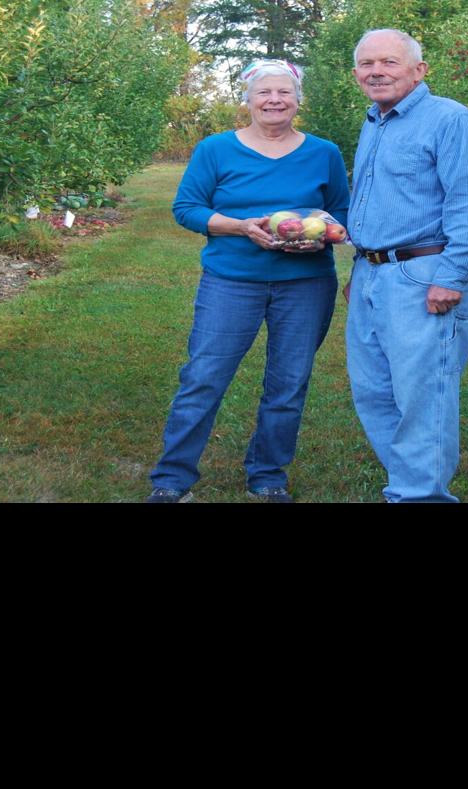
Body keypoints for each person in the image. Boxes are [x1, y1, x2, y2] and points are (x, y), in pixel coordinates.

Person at [148, 59, 350, 503]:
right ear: (248, 99)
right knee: (204, 375)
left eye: (284, 93)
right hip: (232, 279)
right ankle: (172, 479)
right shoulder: (216, 149)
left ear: (298, 100)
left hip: (306, 283)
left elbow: (343, 213)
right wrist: (241, 227)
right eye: (264, 93)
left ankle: (267, 474)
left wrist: (322, 234)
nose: (274, 100)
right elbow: (187, 208)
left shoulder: (324, 153)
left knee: (289, 381)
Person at [344, 29, 468, 503]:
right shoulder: (376, 121)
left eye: (389, 62)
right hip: (372, 274)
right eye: (367, 64)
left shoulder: (451, 120)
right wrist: (360, 269)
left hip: (423, 275)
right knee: (373, 392)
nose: (377, 71)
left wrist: (451, 277)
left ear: (419, 70)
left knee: (422, 397)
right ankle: (409, 483)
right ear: (356, 75)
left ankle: (419, 495)